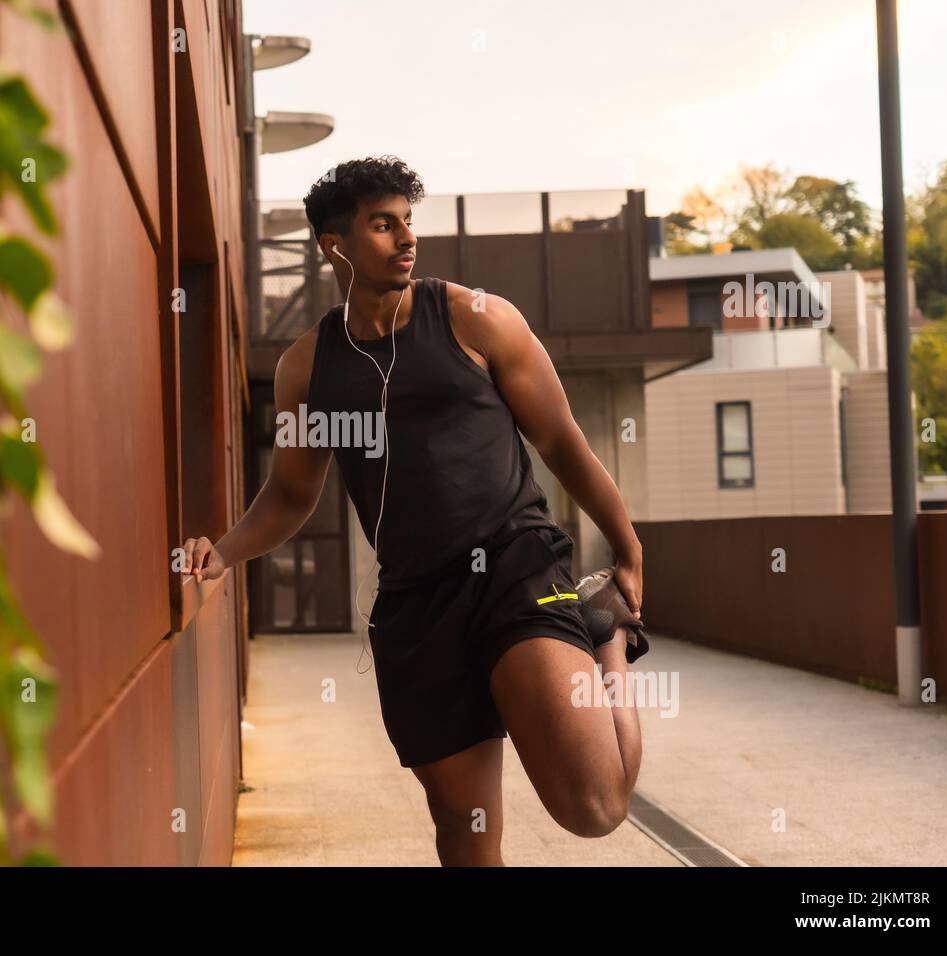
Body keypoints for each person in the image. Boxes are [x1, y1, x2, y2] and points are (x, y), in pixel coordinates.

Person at [182, 156, 649, 866]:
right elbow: (289, 495)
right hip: (414, 608)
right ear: (333, 243)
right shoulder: (307, 370)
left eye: (409, 222)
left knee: (594, 807)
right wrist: (224, 551)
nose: (406, 238)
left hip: (515, 573)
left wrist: (628, 550)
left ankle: (604, 634)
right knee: (464, 836)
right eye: (383, 224)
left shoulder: (475, 318)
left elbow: (560, 439)